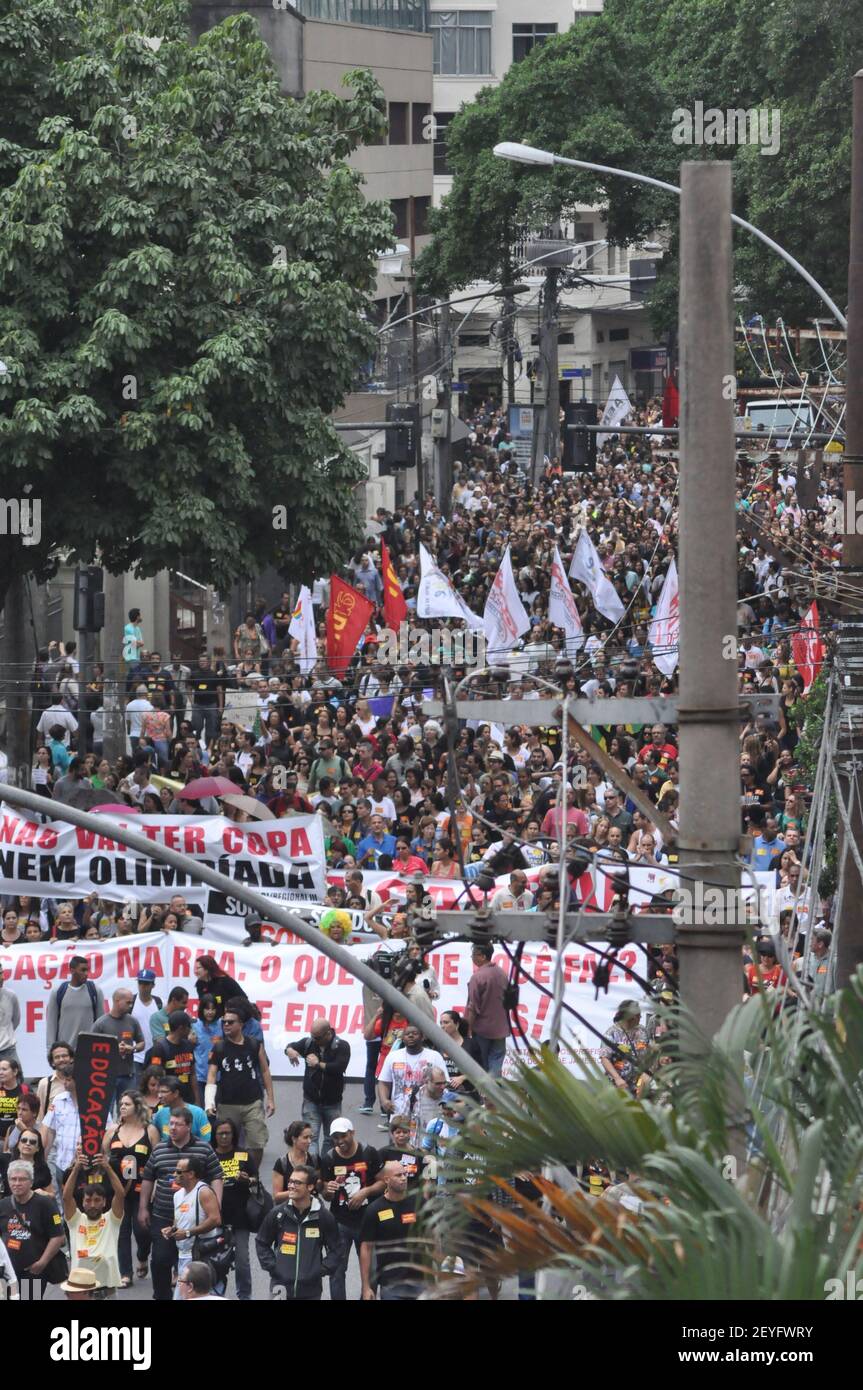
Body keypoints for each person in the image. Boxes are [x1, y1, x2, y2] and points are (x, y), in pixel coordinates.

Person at [138, 1107, 223, 1302]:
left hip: (194, 1218)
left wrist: (216, 1204)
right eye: (170, 1124)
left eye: (178, 1124)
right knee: (160, 1260)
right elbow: (148, 1178)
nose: (172, 1128)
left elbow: (217, 1176)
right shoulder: (159, 1149)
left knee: (192, 1265)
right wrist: (143, 1207)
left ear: (189, 1126)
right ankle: (161, 1297)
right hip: (163, 1214)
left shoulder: (203, 1148)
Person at [256, 1161, 344, 1302]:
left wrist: (321, 1270)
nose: (291, 1185)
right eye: (290, 1181)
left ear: (310, 1187)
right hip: (280, 1289)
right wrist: (273, 1267)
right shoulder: (278, 1214)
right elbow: (261, 1242)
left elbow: (337, 1248)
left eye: (297, 1183)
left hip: (311, 1290)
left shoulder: (324, 1217)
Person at [318, 1117, 385, 1301]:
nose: (340, 1141)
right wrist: (328, 1190)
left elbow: (383, 1182)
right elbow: (325, 1193)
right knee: (337, 1271)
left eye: (343, 1136)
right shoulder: (329, 1158)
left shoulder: (368, 1152)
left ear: (352, 1132)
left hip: (367, 1221)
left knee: (371, 1271)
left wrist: (366, 1192)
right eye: (335, 1137)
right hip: (339, 1222)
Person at [205, 1004, 275, 1168]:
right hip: (227, 1103)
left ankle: (252, 1175)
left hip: (252, 1102)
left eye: (231, 1022)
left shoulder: (254, 1044)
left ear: (241, 1024)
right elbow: (212, 1074)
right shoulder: (219, 1047)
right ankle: (227, 1174)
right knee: (225, 1142)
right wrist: (209, 1103)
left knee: (257, 1143)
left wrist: (271, 1099)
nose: (226, 1025)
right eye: (224, 1022)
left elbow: (264, 1071)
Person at [103, 1091, 159, 1287]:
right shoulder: (113, 1130)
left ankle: (143, 1256)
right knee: (121, 1230)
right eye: (121, 1104)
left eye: (127, 1103)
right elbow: (103, 1156)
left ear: (137, 1106)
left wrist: (155, 1187)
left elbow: (157, 1161)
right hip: (118, 1190)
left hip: (142, 1188)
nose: (122, 1107)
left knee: (142, 1229)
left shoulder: (149, 1130)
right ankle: (125, 1273)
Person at [61, 1146, 126, 1298]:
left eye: (97, 1200)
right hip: (81, 1291)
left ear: (104, 1202)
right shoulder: (76, 1220)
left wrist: (107, 1167)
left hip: (107, 1291)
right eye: (88, 1200)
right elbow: (66, 1197)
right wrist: (76, 1168)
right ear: (82, 1202)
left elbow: (120, 1194)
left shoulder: (111, 1219)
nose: (92, 1205)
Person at [359, 1159, 424, 1302]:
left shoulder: (419, 1203)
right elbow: (366, 1248)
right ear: (387, 1179)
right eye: (398, 1175)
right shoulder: (374, 1210)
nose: (403, 1178)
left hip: (420, 1280)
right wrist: (366, 1286)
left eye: (404, 1174)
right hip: (391, 1283)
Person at [0, 1159, 66, 1297]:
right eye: (13, 1179)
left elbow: (58, 1236)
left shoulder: (45, 1204)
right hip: (8, 1273)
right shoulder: (3, 1205)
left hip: (33, 1271)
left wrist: (42, 1262)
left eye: (22, 1179)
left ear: (31, 1181)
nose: (17, 1183)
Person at [284, 1018, 351, 1151]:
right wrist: (289, 1051)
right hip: (311, 1100)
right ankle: (313, 1168)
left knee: (331, 1138)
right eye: (312, 1036)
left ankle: (325, 1168)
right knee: (311, 1138)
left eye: (318, 1037)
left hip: (333, 1102)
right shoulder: (309, 1043)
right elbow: (290, 1046)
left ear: (328, 1033)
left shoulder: (342, 1046)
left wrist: (318, 1064)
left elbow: (339, 1067)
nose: (314, 1040)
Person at [164, 1152, 222, 1300]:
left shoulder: (203, 1192)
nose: (174, 1174)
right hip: (183, 1255)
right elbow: (179, 1222)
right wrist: (172, 1230)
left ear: (191, 1174)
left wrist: (188, 1233)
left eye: (178, 1171)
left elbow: (215, 1219)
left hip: (200, 1255)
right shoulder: (177, 1195)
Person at [211, 1117, 257, 1301]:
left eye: (227, 1133)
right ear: (214, 1135)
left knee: (242, 1262)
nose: (224, 1137)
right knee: (215, 1261)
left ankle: (245, 1296)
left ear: (234, 1134)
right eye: (220, 1133)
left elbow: (256, 1179)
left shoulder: (243, 1154)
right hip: (215, 1217)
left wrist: (248, 1179)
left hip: (240, 1217)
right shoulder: (209, 1155)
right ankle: (215, 1294)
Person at [377, 1024, 447, 1119]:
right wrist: (384, 1100)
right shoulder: (393, 1056)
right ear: (402, 1038)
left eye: (415, 1033)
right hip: (399, 1111)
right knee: (400, 1134)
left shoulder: (434, 1056)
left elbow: (444, 1083)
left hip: (427, 1111)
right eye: (407, 1034)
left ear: (422, 1037)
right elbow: (384, 1082)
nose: (411, 1036)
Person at [91, 988, 145, 1113]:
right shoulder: (101, 1024)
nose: (131, 1005)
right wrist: (112, 1050)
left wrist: (132, 1048)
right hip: (106, 1076)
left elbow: (142, 1043)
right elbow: (91, 1049)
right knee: (106, 1113)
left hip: (128, 1075)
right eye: (128, 1002)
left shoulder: (132, 1021)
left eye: (132, 1002)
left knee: (129, 1112)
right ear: (117, 1001)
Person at [465, 943, 510, 1077]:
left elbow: (473, 1007)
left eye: (474, 955)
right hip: (501, 1029)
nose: (472, 958)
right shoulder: (502, 973)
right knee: (496, 1065)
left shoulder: (477, 977)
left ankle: (485, 1096)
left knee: (482, 1066)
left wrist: (468, 1029)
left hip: (482, 1030)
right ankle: (495, 1095)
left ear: (483, 956)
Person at [46, 956, 105, 1049]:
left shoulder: (95, 991)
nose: (86, 973)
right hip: (65, 1052)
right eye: (83, 970)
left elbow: (101, 1023)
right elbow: (51, 1023)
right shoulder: (58, 991)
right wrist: (50, 1049)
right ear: (72, 971)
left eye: (87, 970)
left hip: (89, 1051)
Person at [146, 1011, 201, 1105]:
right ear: (181, 1028)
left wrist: (197, 1100)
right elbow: (155, 1078)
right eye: (189, 1026)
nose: (191, 1029)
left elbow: (192, 1074)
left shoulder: (188, 1045)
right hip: (168, 1101)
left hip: (187, 1099)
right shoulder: (160, 1048)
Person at [599, 1000, 651, 1096]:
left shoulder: (643, 1031)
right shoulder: (612, 1033)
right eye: (638, 1015)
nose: (640, 1017)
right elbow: (604, 1058)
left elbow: (649, 1052)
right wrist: (617, 1078)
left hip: (639, 1085)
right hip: (618, 1085)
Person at [151, 1075, 213, 1144]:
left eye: (164, 1092)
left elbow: (206, 1140)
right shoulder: (160, 1114)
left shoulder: (198, 1113)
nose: (159, 1096)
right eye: (159, 1092)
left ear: (176, 1093)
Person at [272, 1121, 319, 1204]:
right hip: (288, 1210)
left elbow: (320, 1187)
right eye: (305, 1137)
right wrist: (298, 1190)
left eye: (310, 1137)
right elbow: (276, 1196)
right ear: (294, 1139)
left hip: (311, 1207)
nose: (309, 1141)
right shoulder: (282, 1163)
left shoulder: (315, 1160)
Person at [376, 1115, 425, 1192]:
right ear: (392, 1134)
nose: (401, 1135)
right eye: (398, 1132)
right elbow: (377, 1176)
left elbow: (425, 1180)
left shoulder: (419, 1155)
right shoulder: (384, 1152)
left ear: (410, 1133)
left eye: (405, 1132)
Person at [131, 970, 162, 1073]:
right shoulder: (131, 1003)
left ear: (153, 985)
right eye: (140, 982)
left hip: (155, 1056)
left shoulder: (159, 1003)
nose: (142, 986)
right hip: (135, 1056)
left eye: (146, 983)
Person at [0, 965, 21, 1072]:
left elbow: (15, 1021)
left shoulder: (11, 996)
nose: (3, 977)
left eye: (2, 972)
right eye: (0, 974)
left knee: (17, 1084)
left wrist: (6, 1036)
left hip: (9, 1050)